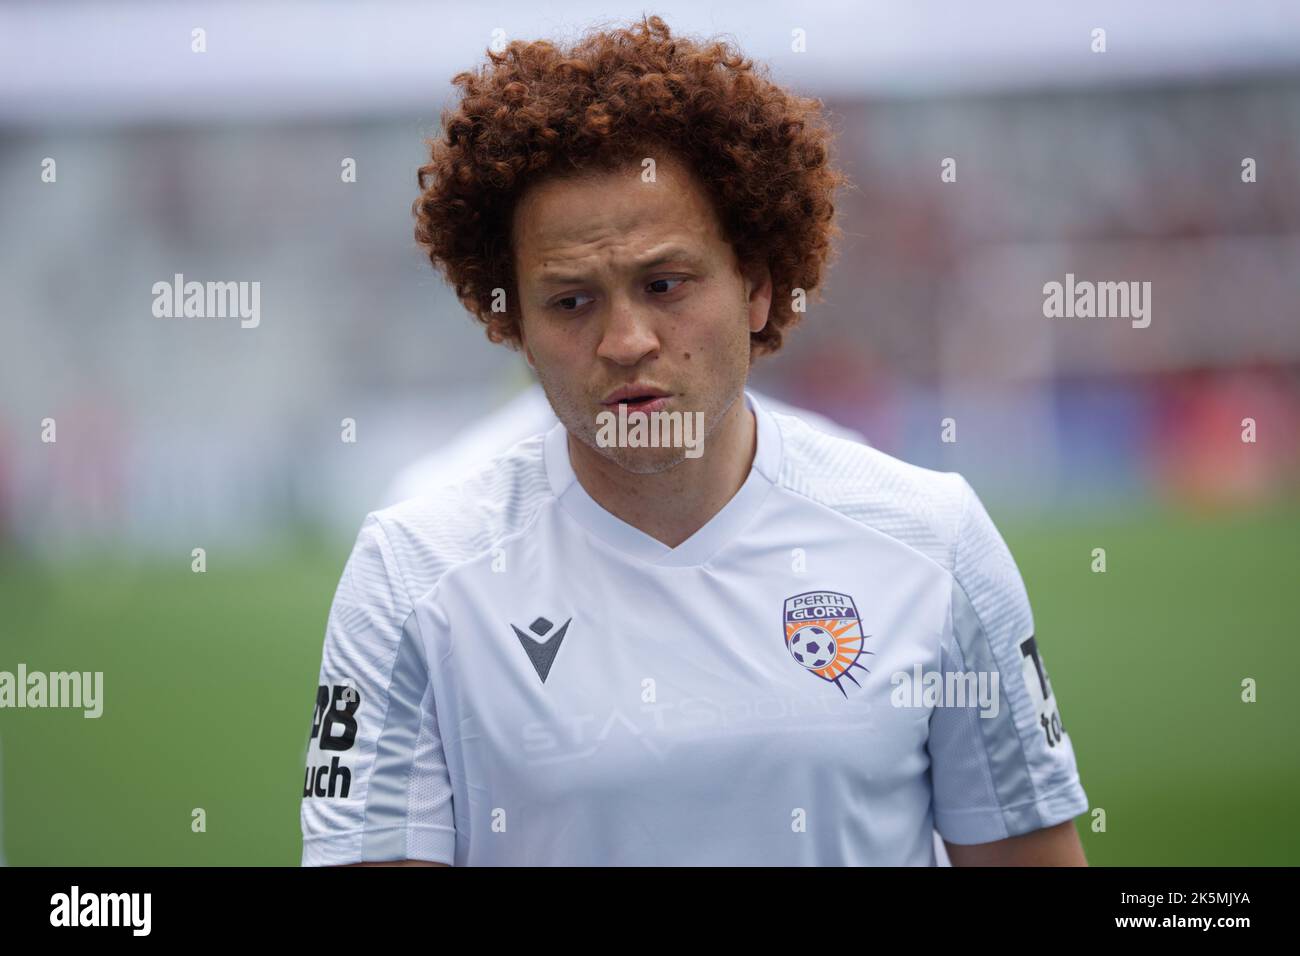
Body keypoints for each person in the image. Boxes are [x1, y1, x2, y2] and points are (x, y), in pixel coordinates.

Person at [301, 15, 1088, 866]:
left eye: (665, 283)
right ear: (513, 326)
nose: (626, 338)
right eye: (570, 301)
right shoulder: (413, 574)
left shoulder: (933, 541)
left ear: (756, 287)